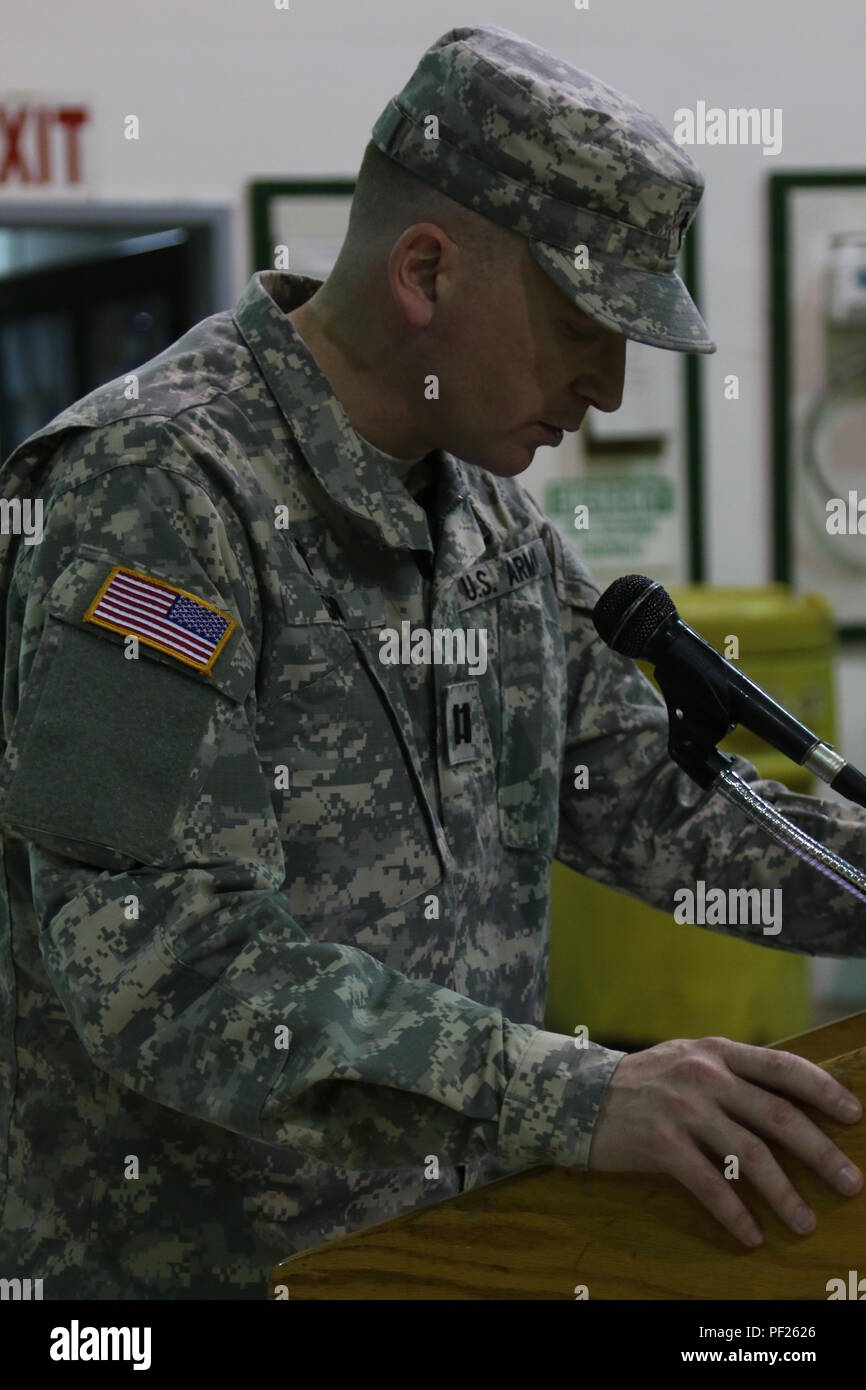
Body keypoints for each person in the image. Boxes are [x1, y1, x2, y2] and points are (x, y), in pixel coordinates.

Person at [0, 22, 862, 1300]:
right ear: (423, 269)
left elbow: (635, 790)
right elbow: (163, 962)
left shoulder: (485, 515)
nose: (611, 388)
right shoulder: (158, 493)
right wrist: (575, 1094)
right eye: (582, 324)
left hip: (438, 1261)